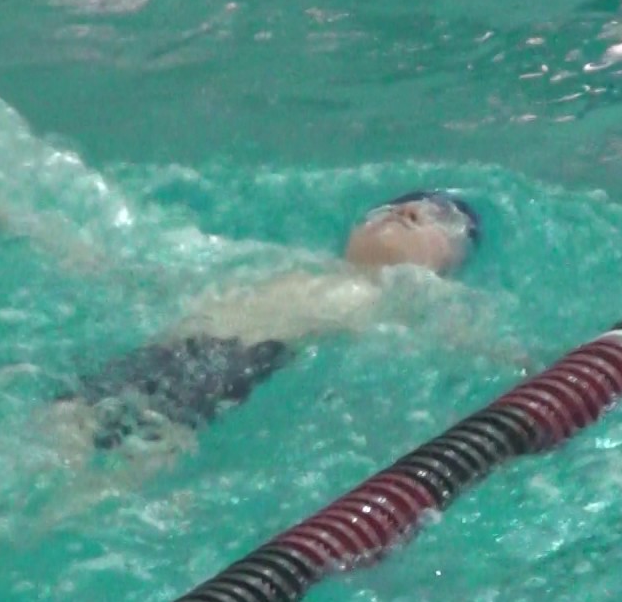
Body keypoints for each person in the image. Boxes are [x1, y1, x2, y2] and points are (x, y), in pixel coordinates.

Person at [40, 189, 519, 469]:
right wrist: (52, 238)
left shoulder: (409, 291)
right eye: (394, 206)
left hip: (224, 373)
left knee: (97, 487)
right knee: (51, 436)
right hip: (153, 357)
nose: (407, 212)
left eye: (442, 218)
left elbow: (469, 341)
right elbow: (158, 277)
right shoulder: (287, 263)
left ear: (448, 267)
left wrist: (533, 368)